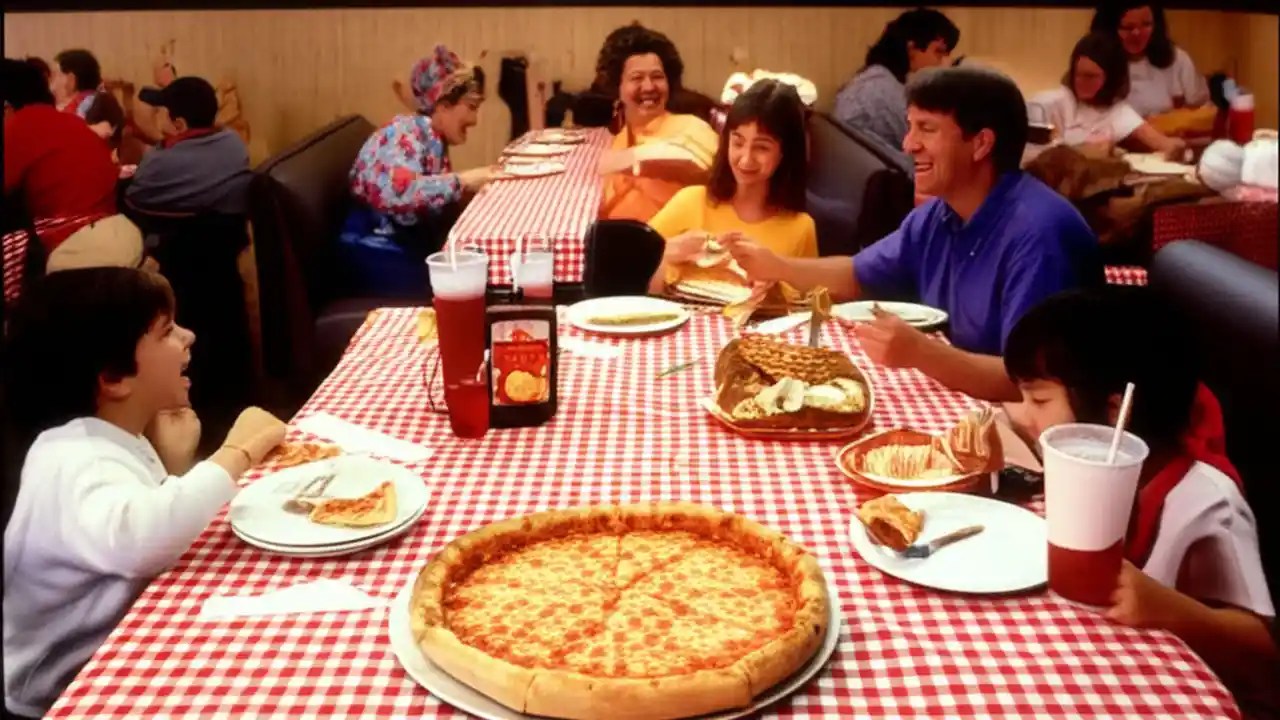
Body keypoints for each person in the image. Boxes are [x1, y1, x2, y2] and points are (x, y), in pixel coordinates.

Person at [2, 267, 287, 720]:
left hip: (119, 652)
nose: (189, 336)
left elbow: (134, 519)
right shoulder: (75, 457)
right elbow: (138, 539)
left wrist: (175, 468)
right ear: (114, 378)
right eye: (167, 331)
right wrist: (236, 452)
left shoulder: (112, 438)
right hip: (58, 696)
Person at [724, 67, 1101, 402]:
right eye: (910, 127)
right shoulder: (941, 213)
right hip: (969, 403)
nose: (908, 144)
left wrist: (920, 352)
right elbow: (858, 274)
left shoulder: (1039, 234)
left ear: (981, 144)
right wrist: (775, 266)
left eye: (927, 129)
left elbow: (1029, 385)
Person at [1002, 286, 1276, 713]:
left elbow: (1264, 653)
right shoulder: (1081, 473)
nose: (1022, 415)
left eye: (1038, 399)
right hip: (1098, 672)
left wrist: (1172, 610)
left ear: (1115, 412)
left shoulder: (1207, 504)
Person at [647, 79, 816, 293]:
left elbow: (809, 307)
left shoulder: (801, 228)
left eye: (762, 148)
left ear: (785, 153)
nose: (746, 159)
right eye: (738, 142)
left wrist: (773, 288)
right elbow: (623, 264)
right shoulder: (691, 201)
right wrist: (667, 251)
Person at [347, 44, 496, 258]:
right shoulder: (404, 133)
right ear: (443, 106)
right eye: (471, 108)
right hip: (379, 252)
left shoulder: (430, 136)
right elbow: (396, 193)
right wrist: (464, 181)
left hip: (406, 243)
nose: (474, 120)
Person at [3, 58, 142, 271]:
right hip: (123, 235)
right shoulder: (72, 122)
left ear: (7, 106)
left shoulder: (19, 126)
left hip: (77, 251)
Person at [595, 23, 719, 222]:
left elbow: (702, 165)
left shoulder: (690, 126)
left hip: (672, 246)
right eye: (637, 78)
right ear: (616, 87)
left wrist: (633, 159)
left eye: (657, 77)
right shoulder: (623, 134)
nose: (649, 87)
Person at [833, 7, 959, 174]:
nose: (942, 62)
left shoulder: (872, 78)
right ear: (912, 48)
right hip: (876, 179)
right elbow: (920, 148)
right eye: (938, 52)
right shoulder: (883, 90)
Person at [1028, 33, 1184, 157]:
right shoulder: (1048, 103)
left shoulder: (1117, 110)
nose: (1082, 82)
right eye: (1078, 75)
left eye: (1091, 77)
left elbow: (1163, 143)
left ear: (1111, 78)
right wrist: (1086, 151)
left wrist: (1175, 148)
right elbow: (1032, 157)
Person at [125, 76, 252, 216]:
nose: (158, 115)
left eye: (161, 111)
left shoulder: (157, 162)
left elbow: (133, 199)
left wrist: (159, 139)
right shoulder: (235, 145)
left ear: (179, 124)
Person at [1090, 3, 1208, 118]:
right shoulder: (1094, 62)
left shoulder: (1177, 58)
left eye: (1146, 25)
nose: (1137, 33)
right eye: (1127, 27)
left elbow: (1199, 107)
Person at [49, 48, 124, 147]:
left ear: (70, 80)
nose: (51, 82)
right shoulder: (59, 106)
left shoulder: (96, 102)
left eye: (56, 75)